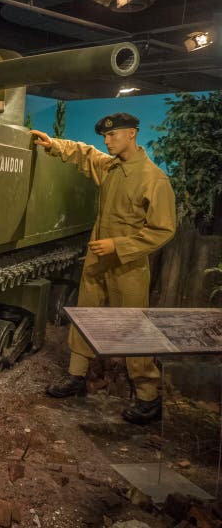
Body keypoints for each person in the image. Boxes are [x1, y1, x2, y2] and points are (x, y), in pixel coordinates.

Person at [30, 112, 176, 424]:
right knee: (86, 316)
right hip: (98, 260)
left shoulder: (154, 179)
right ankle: (76, 376)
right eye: (105, 136)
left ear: (132, 134)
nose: (106, 141)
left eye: (113, 135)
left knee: (133, 327)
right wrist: (53, 143)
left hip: (129, 266)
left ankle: (148, 396)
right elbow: (83, 153)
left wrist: (118, 246)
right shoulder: (109, 167)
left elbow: (163, 230)